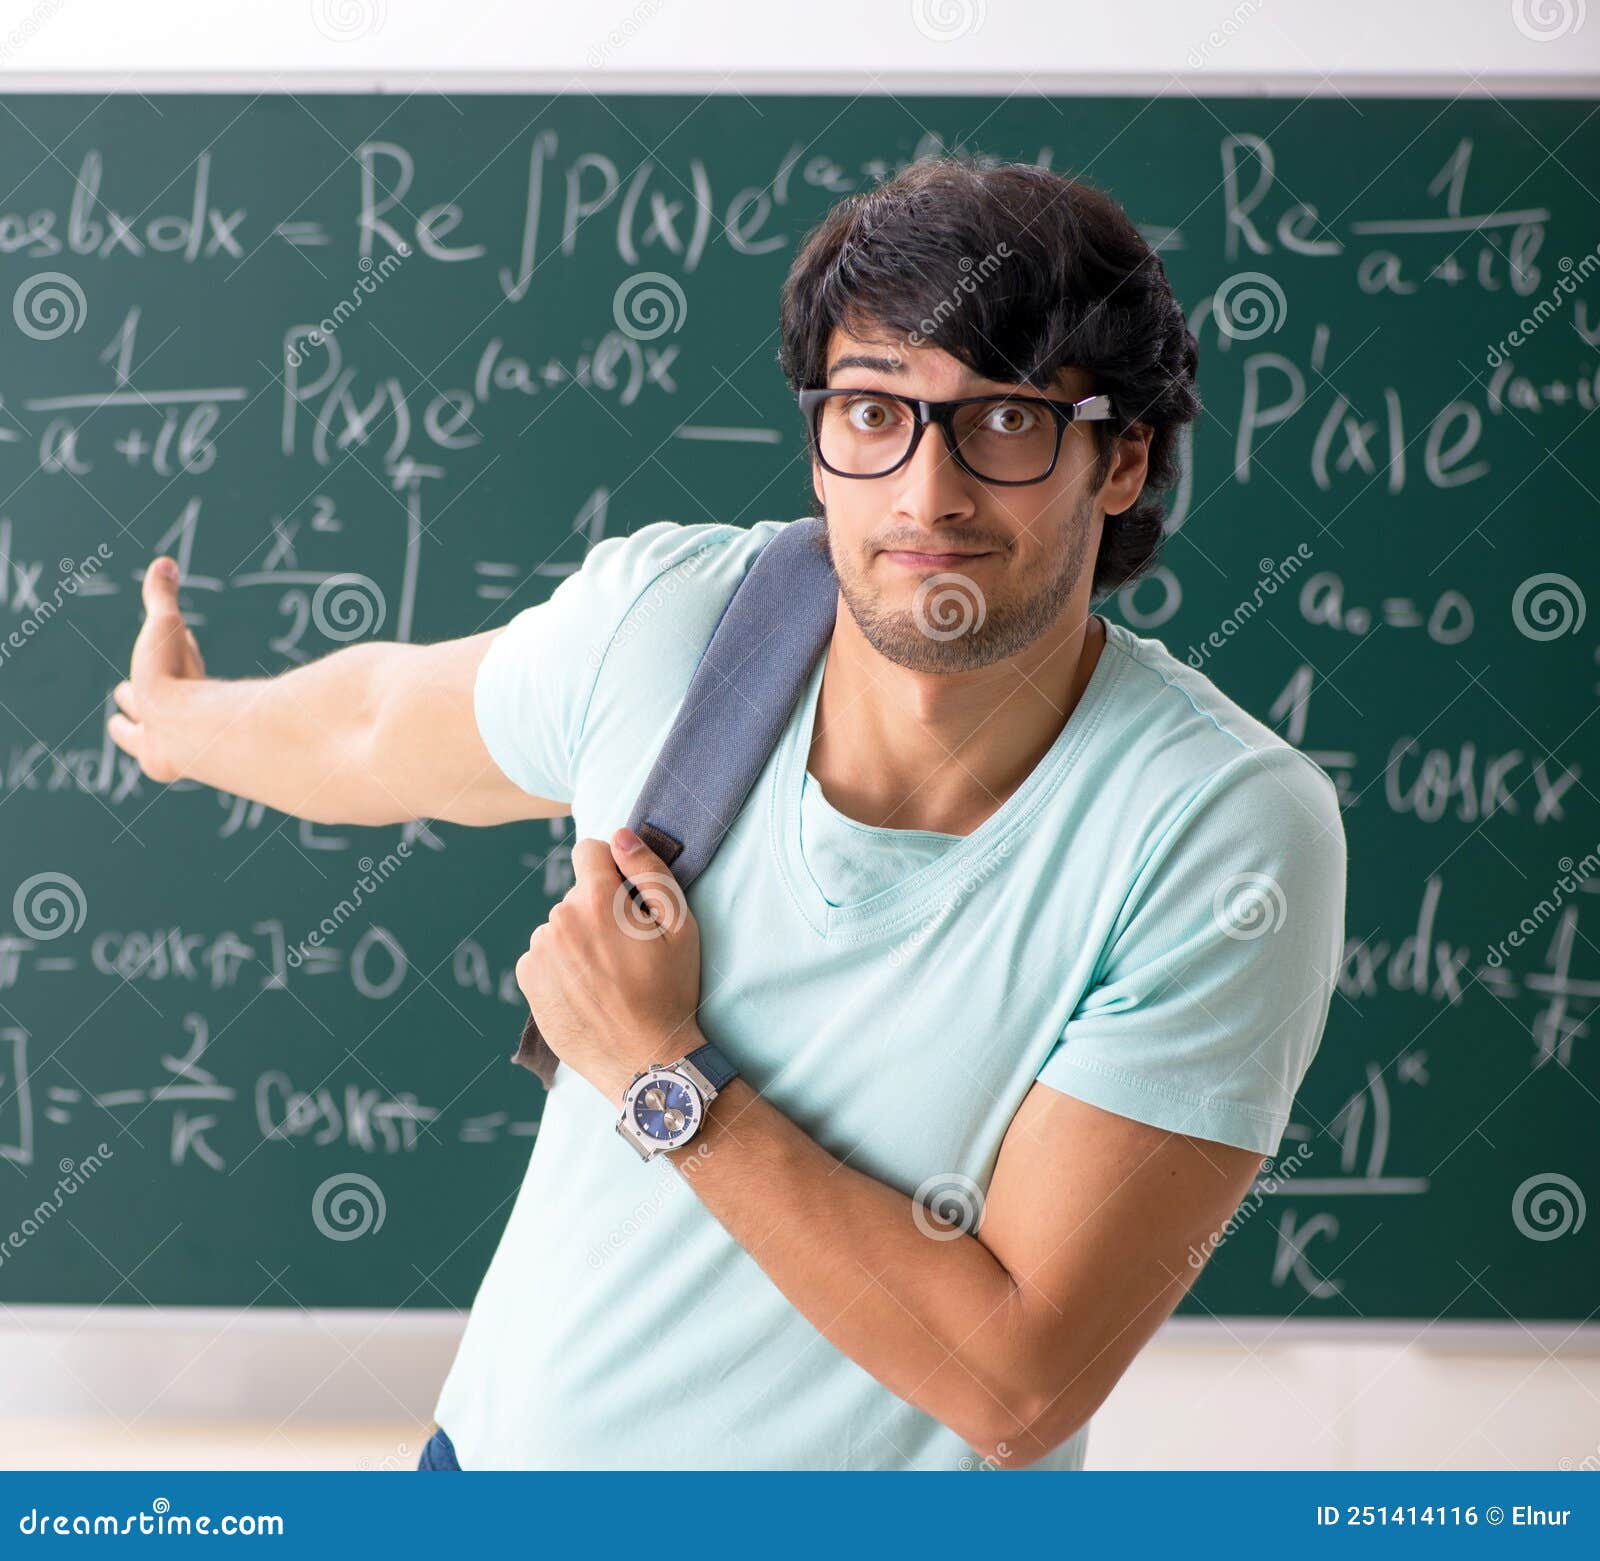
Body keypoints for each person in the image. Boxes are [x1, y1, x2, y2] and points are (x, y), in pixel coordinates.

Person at [109, 154, 1347, 1472]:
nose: (927, 495)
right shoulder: (683, 627)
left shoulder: (1218, 827)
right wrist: (179, 726)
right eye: (875, 413)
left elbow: (1020, 1380)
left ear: (1120, 461)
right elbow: (373, 727)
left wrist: (665, 1073)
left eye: (1005, 422)